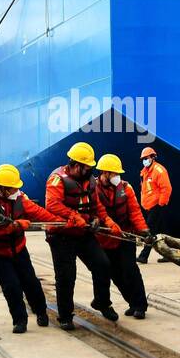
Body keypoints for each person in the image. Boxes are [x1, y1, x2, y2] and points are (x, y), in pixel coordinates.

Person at [44, 141, 120, 329]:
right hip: (61, 235)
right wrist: (73, 216)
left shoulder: (90, 181)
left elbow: (96, 206)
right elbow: (52, 204)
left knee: (102, 264)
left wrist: (104, 220)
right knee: (66, 276)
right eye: (87, 166)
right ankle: (65, 316)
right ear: (76, 165)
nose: (89, 169)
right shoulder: (57, 179)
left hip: (83, 232)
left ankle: (102, 302)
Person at [0, 164, 55, 333]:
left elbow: (38, 212)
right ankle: (20, 320)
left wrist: (60, 222)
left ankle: (41, 312)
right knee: (11, 286)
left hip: (18, 248)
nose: (16, 191)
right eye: (13, 189)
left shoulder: (20, 197)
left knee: (31, 282)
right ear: (3, 189)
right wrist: (15, 226)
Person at [94, 154, 149, 319]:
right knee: (115, 274)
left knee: (130, 270)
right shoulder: (93, 189)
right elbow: (98, 212)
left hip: (126, 235)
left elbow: (134, 212)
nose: (118, 177)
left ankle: (140, 305)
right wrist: (109, 226)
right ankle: (132, 303)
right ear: (105, 173)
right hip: (105, 239)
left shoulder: (127, 188)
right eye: (114, 173)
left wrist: (143, 230)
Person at [137, 146, 172, 264]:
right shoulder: (145, 172)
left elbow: (166, 188)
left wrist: (161, 204)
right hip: (150, 207)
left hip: (157, 205)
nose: (144, 160)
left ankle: (143, 256)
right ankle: (169, 255)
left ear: (153, 157)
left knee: (150, 231)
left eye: (146, 158)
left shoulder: (159, 170)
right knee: (162, 230)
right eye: (143, 158)